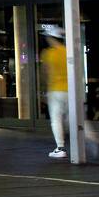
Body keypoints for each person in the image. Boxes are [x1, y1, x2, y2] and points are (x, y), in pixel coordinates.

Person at [40, 30, 68, 159]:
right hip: (69, 90)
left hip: (55, 90)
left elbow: (46, 72)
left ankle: (60, 148)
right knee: (72, 117)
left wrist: (45, 89)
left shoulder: (48, 53)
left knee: (56, 119)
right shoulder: (68, 50)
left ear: (51, 39)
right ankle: (85, 139)